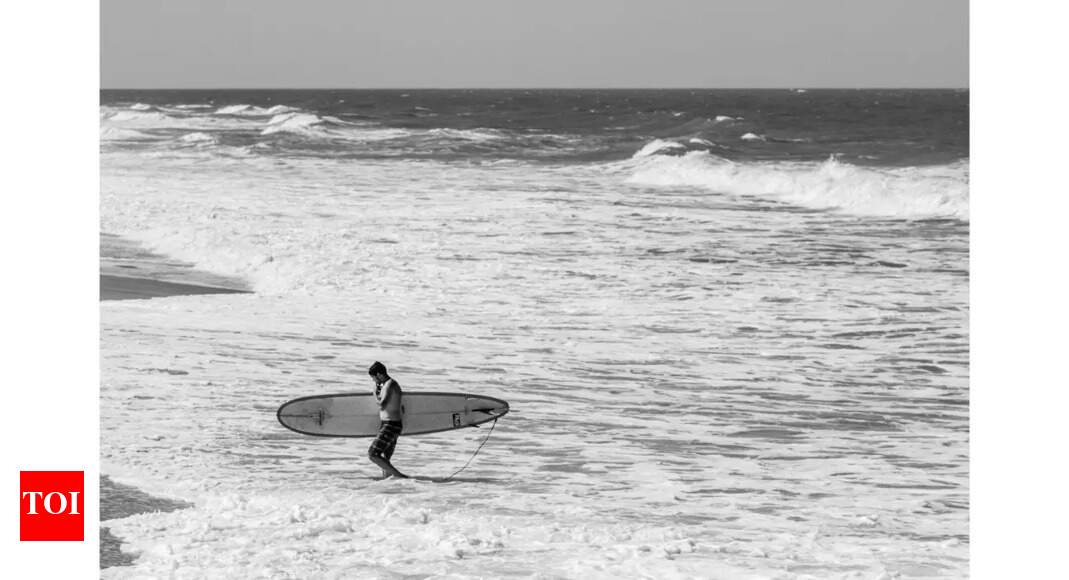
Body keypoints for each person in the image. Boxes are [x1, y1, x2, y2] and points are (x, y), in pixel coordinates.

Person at [367, 361, 407, 479]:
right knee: (385, 458)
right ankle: (389, 482)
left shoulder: (390, 384)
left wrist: (374, 393)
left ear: (379, 374)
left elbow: (382, 405)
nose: (373, 381)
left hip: (391, 424)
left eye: (373, 378)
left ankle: (400, 476)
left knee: (373, 454)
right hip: (389, 424)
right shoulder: (386, 385)